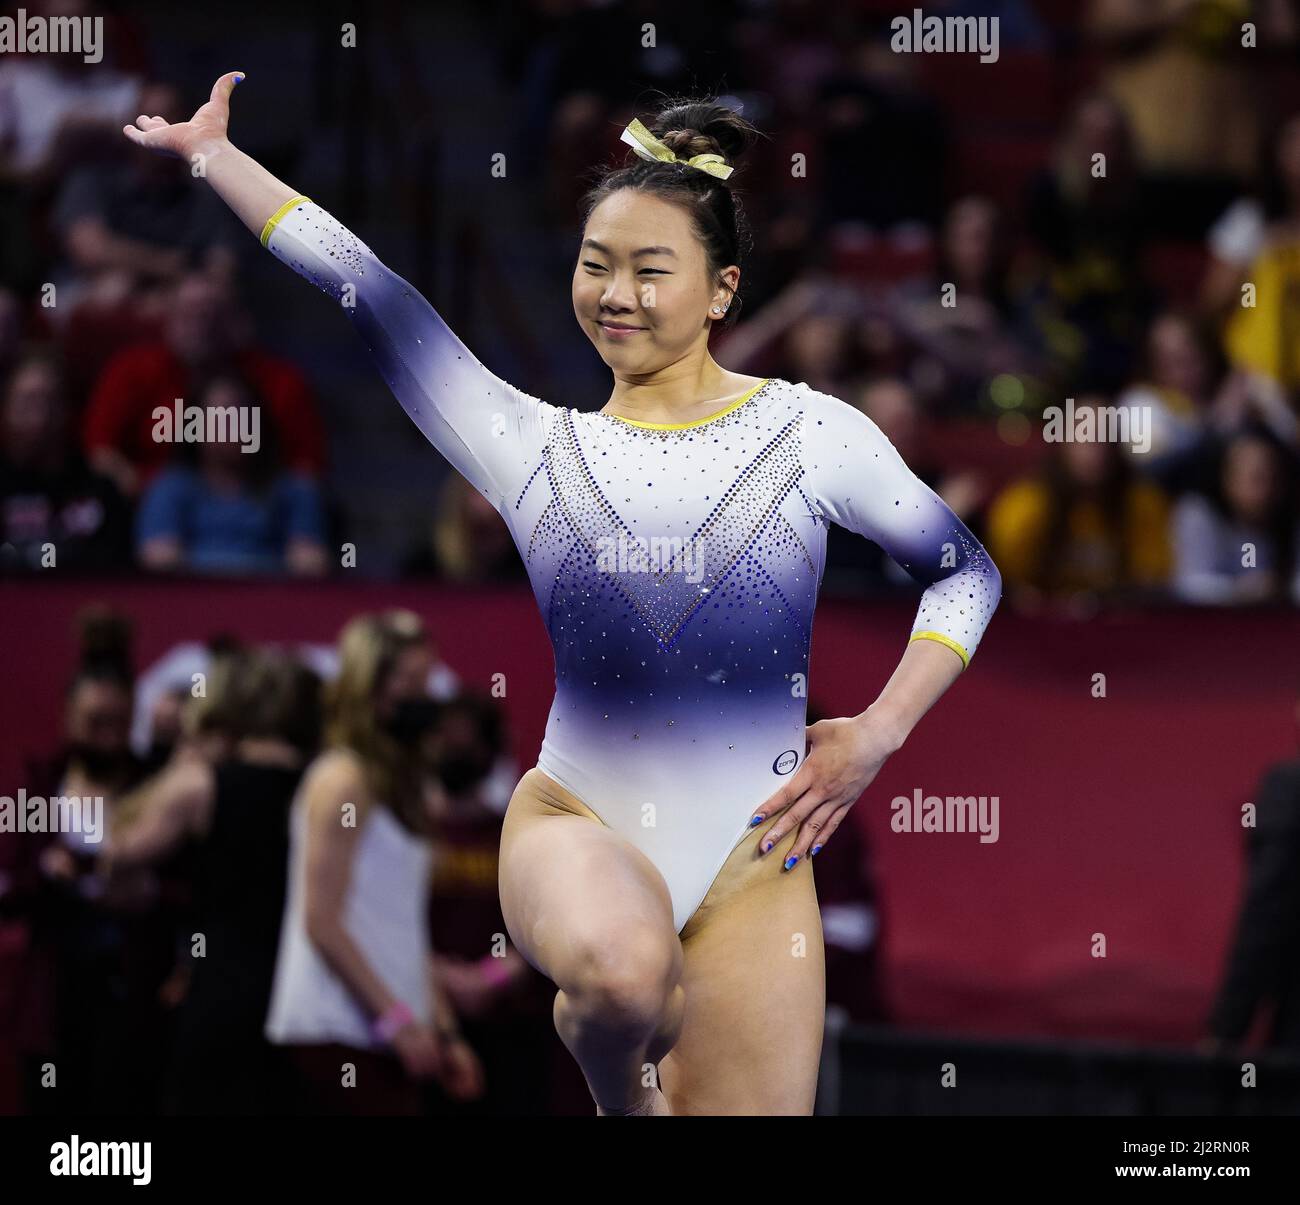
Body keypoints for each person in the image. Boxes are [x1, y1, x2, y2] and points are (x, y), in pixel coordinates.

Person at [123, 77, 1001, 1116]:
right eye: (595, 264)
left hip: (756, 860)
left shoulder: (810, 434)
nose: (615, 293)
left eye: (649, 269)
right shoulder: (527, 443)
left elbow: (966, 570)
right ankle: (622, 1095)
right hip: (579, 820)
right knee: (625, 975)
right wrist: (214, 156)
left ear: (721, 290)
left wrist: (877, 732)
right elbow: (370, 288)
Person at [260, 612, 483, 1114]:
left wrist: (444, 1032)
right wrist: (396, 1023)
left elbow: (405, 931)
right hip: (335, 1029)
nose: (424, 697)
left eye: (426, 681)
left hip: (389, 1034)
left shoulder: (402, 788)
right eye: (409, 682)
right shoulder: (343, 779)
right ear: (369, 687)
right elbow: (321, 921)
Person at [103, 647, 323, 1114]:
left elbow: (117, 853)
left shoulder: (201, 783)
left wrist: (176, 768)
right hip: (304, 993)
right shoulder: (328, 785)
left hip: (223, 985)